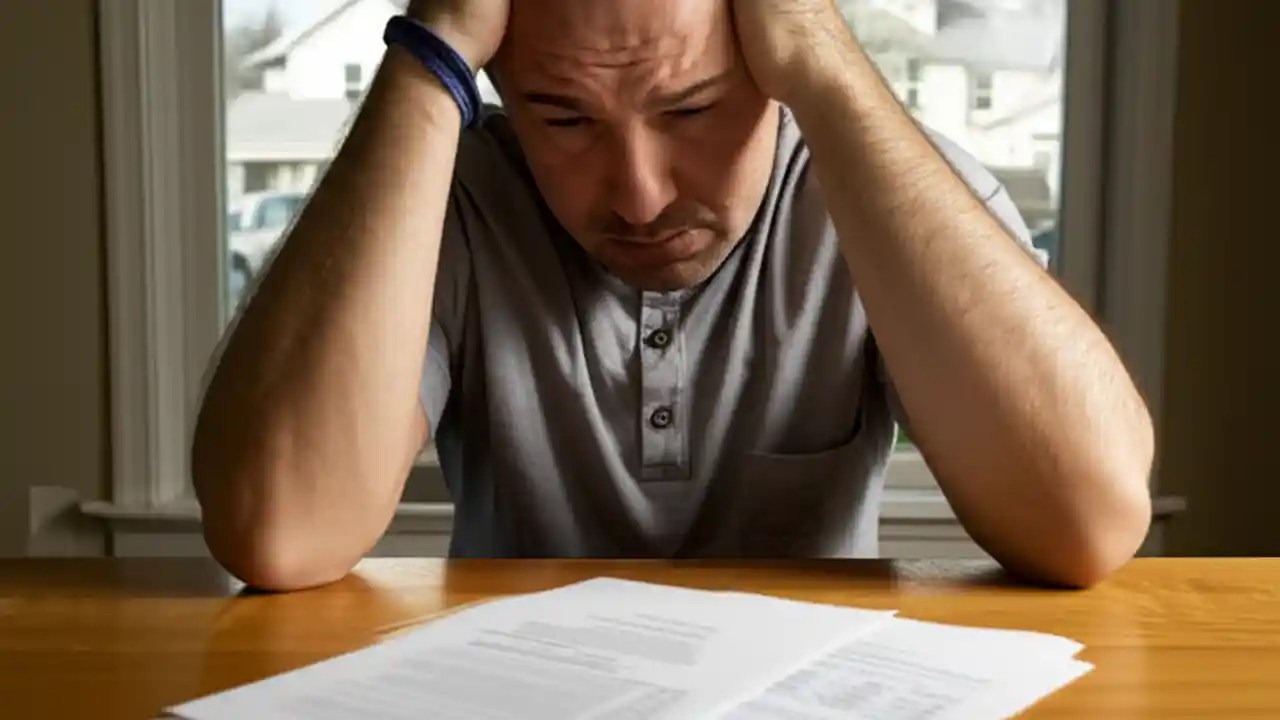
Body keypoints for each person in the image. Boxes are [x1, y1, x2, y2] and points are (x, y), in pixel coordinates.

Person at [192, 0, 1154, 591]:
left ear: (774, 68)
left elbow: (1089, 522)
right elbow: (280, 531)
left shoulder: (891, 191)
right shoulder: (449, 200)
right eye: (563, 117)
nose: (639, 196)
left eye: (691, 109)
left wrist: (820, 49)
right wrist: (432, 45)